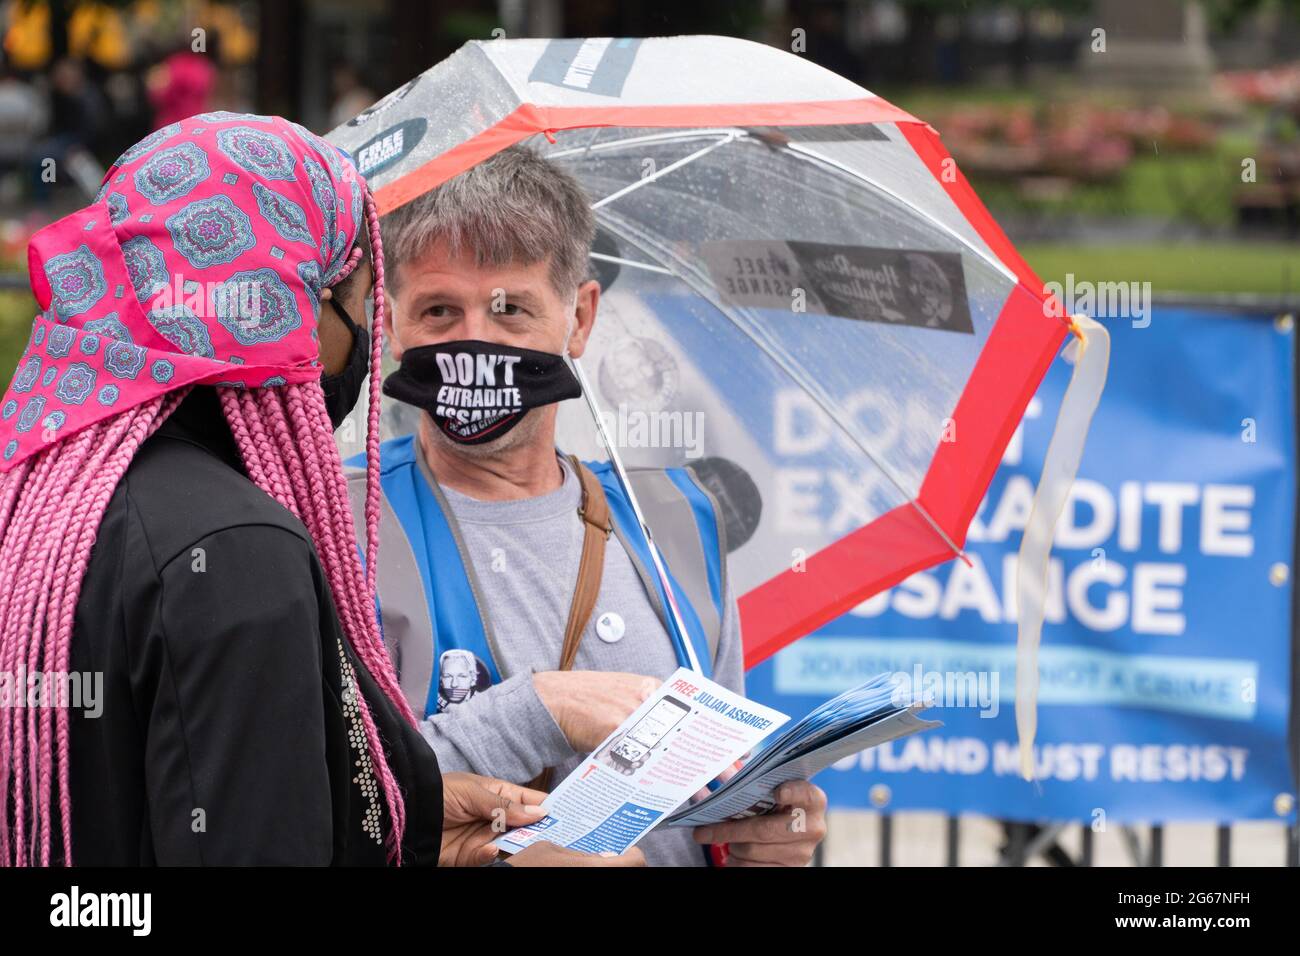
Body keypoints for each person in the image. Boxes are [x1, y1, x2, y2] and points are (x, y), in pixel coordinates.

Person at [0, 114, 640, 868]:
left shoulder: (48, 509)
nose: (359, 342)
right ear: (288, 304)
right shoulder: (239, 552)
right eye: (360, 300)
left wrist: (423, 821)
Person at [349, 145, 828, 866]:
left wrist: (767, 844)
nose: (474, 340)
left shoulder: (675, 520)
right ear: (390, 326)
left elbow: (720, 795)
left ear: (580, 317)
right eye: (440, 310)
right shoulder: (333, 523)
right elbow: (323, 791)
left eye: (510, 308)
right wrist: (541, 711)